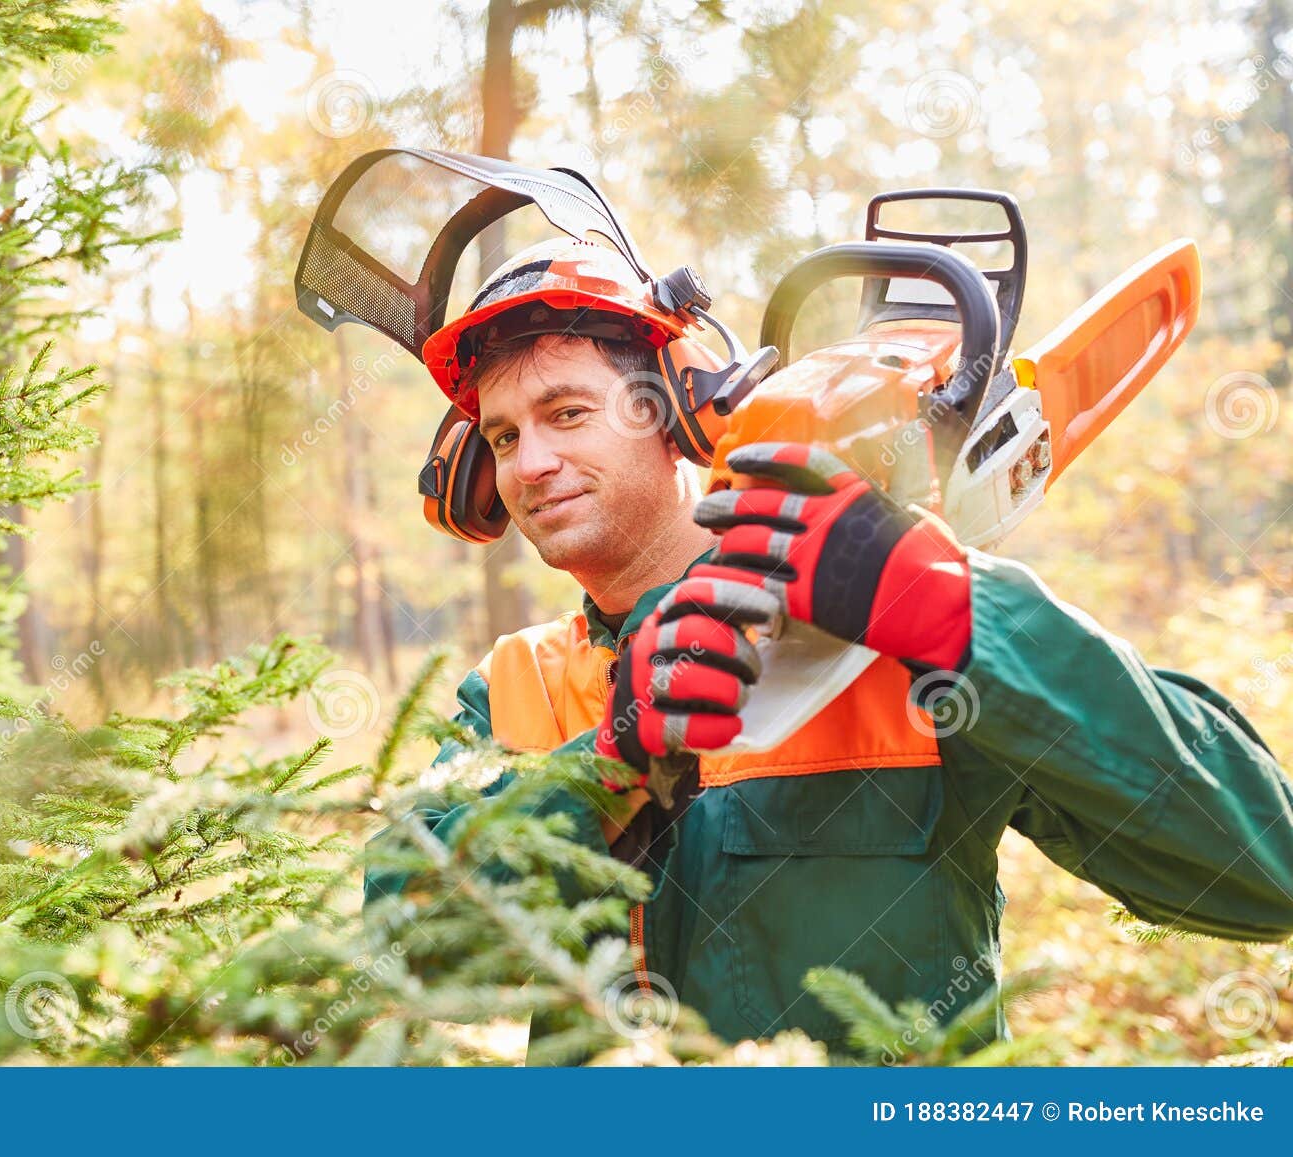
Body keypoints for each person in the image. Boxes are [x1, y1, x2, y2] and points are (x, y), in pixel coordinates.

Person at [364, 237, 1293, 1054]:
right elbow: (402, 952)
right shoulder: (517, 686)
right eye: (503, 436)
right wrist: (607, 764)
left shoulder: (900, 635)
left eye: (567, 413)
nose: (530, 463)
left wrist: (956, 617)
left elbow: (1259, 869)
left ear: (680, 412)